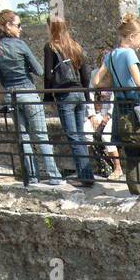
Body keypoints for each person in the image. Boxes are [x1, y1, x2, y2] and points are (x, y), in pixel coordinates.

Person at [0, 9, 63, 187]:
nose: (20, 29)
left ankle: (33, 177)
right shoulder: (20, 45)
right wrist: (25, 68)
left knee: (24, 138)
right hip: (28, 92)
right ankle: (54, 176)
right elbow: (39, 70)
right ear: (8, 26)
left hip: (10, 95)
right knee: (41, 135)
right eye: (18, 25)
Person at [92, 14, 140, 195]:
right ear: (131, 36)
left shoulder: (110, 56)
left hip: (120, 106)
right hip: (134, 105)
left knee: (130, 149)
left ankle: (135, 189)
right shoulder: (129, 53)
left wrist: (113, 86)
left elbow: (96, 81)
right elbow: (138, 79)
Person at [43, 19, 94, 186]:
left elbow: (49, 75)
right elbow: (85, 74)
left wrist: (48, 97)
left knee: (74, 137)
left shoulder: (51, 47)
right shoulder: (75, 46)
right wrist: (86, 96)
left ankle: (86, 177)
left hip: (65, 95)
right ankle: (87, 174)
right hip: (79, 92)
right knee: (80, 135)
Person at [87, 45, 124, 180]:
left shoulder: (115, 75)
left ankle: (117, 168)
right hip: (97, 111)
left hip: (111, 113)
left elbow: (115, 98)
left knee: (107, 137)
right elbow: (90, 94)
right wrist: (91, 115)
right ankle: (102, 165)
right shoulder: (94, 74)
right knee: (86, 134)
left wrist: (107, 116)